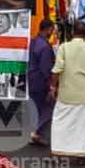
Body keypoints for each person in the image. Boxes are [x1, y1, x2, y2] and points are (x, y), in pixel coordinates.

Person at [49, 21, 85, 164]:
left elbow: (56, 70)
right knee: (83, 126)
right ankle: (81, 156)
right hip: (84, 95)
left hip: (65, 93)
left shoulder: (64, 48)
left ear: (73, 32)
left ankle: (57, 153)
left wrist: (53, 87)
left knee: (60, 123)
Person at [27, 19, 56, 147]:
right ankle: (36, 133)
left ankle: (35, 133)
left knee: (37, 108)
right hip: (40, 81)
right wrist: (51, 86)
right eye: (52, 30)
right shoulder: (45, 46)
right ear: (48, 29)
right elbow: (46, 68)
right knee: (48, 108)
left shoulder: (33, 41)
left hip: (32, 78)